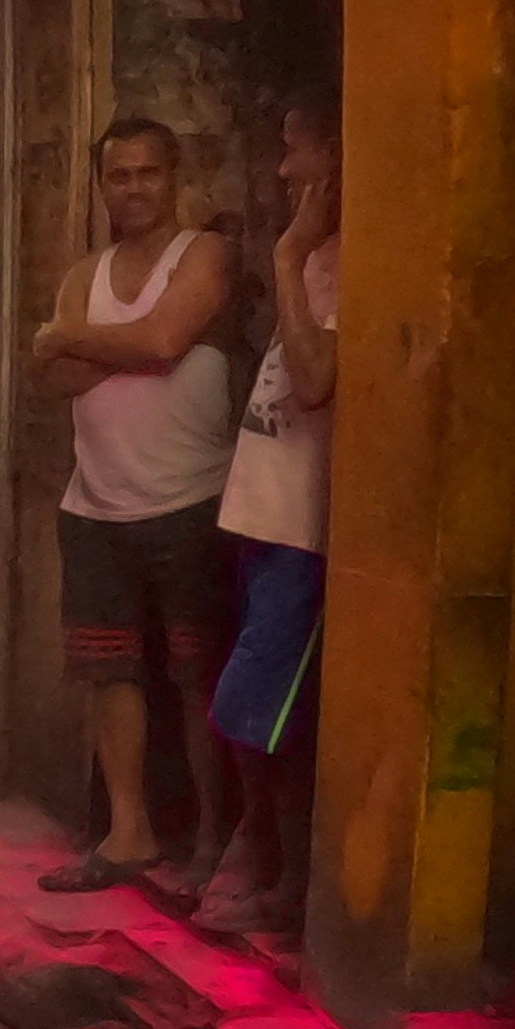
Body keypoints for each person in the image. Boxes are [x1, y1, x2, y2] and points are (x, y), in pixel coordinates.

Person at [33, 115, 244, 900]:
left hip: (190, 502)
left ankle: (216, 843)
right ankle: (129, 833)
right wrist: (125, 347)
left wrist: (71, 339)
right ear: (102, 186)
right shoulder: (82, 273)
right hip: (94, 505)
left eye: (147, 173)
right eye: (118, 176)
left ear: (174, 177)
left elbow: (161, 341)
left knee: (199, 678)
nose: (133, 188)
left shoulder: (208, 255)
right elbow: (54, 380)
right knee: (109, 673)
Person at [200, 100, 339, 941]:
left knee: (269, 715)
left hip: (305, 533)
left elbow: (317, 377)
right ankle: (268, 873)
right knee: (253, 711)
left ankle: (288, 893)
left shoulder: (344, 262)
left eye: (300, 152)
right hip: (266, 521)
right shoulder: (319, 257)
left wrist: (288, 257)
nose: (285, 172)